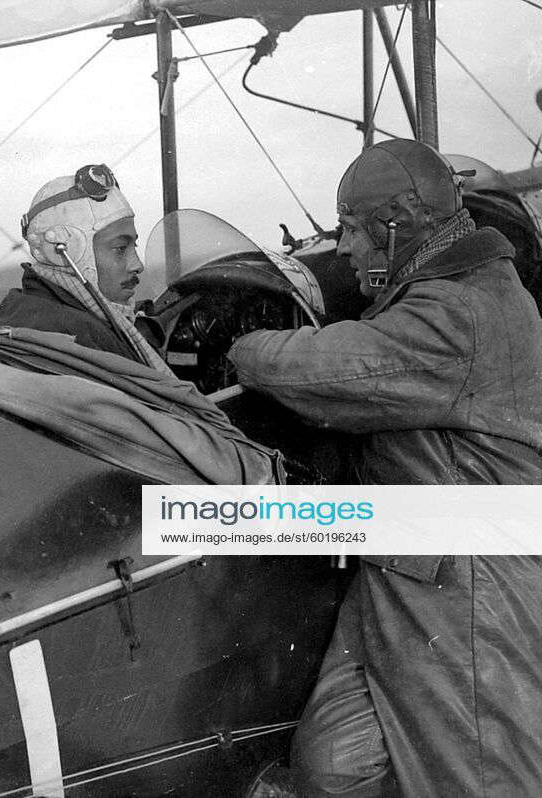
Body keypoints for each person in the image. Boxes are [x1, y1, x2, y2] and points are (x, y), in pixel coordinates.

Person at [227, 139, 542, 796]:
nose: (343, 250)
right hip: (408, 567)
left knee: (478, 774)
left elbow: (327, 369)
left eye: (348, 229)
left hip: (470, 584)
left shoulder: (457, 310)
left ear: (391, 228)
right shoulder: (448, 292)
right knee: (335, 763)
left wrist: (244, 345)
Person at [0, 164, 169, 372]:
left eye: (133, 245)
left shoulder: (30, 309)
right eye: (120, 248)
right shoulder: (76, 337)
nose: (137, 265)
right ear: (63, 250)